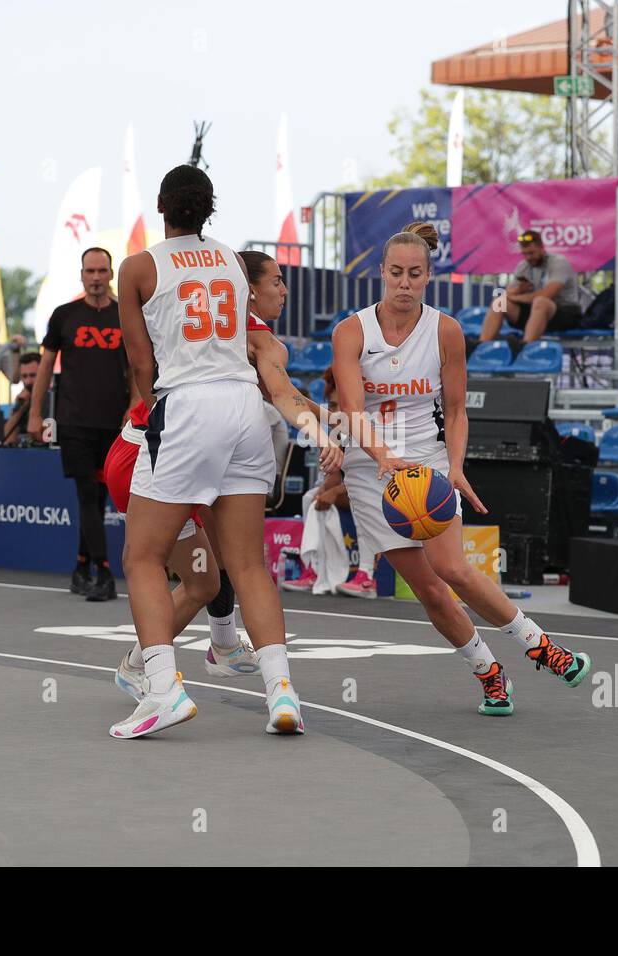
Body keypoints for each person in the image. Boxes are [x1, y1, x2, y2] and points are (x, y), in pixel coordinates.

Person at [333, 221, 593, 717]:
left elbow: (455, 411)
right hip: (372, 468)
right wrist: (383, 457)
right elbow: (351, 411)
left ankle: (542, 648)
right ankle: (489, 673)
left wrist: (455, 465)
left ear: (428, 276)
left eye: (414, 273)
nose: (404, 283)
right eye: (395, 273)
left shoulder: (445, 329)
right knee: (429, 591)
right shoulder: (352, 331)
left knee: (452, 568)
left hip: (426, 460)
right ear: (381, 274)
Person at [112, 164, 326, 737]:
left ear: (162, 205)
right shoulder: (234, 260)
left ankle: (162, 688)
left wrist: (150, 403)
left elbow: (140, 361)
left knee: (142, 557)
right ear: (211, 210)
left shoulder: (137, 267)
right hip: (243, 405)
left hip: (187, 406)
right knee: (248, 563)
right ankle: (282, 693)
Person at [104, 249, 340, 678]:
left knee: (212, 570)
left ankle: (215, 645)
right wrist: (335, 429)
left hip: (175, 445)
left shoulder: (220, 326)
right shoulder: (250, 337)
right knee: (203, 565)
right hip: (153, 450)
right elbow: (283, 393)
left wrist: (341, 424)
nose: (284, 290)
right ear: (248, 290)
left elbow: (283, 394)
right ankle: (174, 662)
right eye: (277, 281)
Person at [28, 248, 132, 602]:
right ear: (82, 274)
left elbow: (138, 367)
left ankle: (81, 563)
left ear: (111, 274)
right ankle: (102, 573)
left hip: (115, 424)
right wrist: (35, 413)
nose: (96, 277)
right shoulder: (64, 316)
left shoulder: (127, 316)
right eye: (90, 271)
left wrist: (134, 406)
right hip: (74, 422)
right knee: (88, 493)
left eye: (102, 270)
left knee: (100, 497)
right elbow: (45, 367)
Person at [281, 366, 378, 597]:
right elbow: (332, 478)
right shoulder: (339, 434)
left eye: (338, 407)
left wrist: (334, 493)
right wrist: (326, 490)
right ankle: (315, 570)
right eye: (331, 406)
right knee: (310, 497)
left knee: (361, 500)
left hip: (383, 493)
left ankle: (366, 577)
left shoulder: (371, 429)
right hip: (355, 490)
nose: (334, 413)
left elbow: (372, 479)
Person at [479, 230, 594, 344]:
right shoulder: (524, 266)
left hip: (566, 313)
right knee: (499, 302)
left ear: (542, 248)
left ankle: (524, 346)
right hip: (536, 313)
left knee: (541, 301)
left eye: (531, 253)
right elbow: (507, 293)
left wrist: (516, 297)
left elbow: (547, 294)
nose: (528, 257)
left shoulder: (558, 262)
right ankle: (481, 345)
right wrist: (518, 291)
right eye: (525, 254)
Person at [3, 351, 40, 444]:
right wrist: (19, 410)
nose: (28, 381)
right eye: (24, 376)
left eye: (33, 375)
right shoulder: (23, 400)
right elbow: (8, 439)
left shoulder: (53, 400)